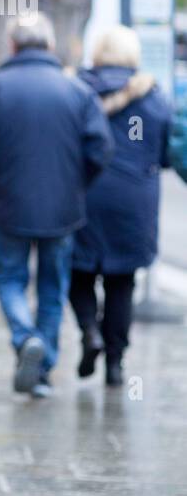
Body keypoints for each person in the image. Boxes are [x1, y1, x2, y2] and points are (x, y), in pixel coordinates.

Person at [0, 11, 113, 398]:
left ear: (12, 45)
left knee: (9, 278)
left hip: (10, 204)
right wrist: (77, 185)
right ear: (50, 45)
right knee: (52, 287)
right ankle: (42, 370)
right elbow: (101, 148)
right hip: (63, 209)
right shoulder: (76, 90)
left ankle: (25, 337)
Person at [69, 27, 172, 387]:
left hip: (84, 194)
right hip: (133, 201)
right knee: (121, 282)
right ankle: (115, 362)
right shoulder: (153, 100)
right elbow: (163, 151)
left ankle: (88, 331)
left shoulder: (78, 90)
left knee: (78, 273)